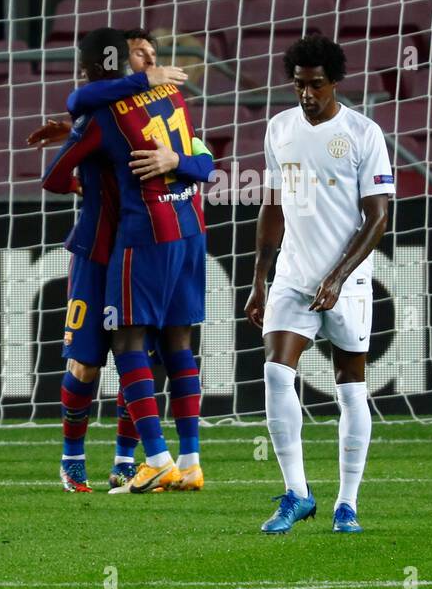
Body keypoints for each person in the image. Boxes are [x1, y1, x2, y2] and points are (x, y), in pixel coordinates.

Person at [31, 29, 212, 492]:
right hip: (99, 250)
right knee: (86, 362)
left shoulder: (152, 101)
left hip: (140, 240)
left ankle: (128, 460)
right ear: (122, 65)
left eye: (153, 53)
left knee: (140, 351)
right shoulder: (107, 107)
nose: (150, 57)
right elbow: (79, 112)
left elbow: (206, 159)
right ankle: (73, 460)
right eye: (140, 53)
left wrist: (176, 161)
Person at [244, 33, 395, 533]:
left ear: (334, 83)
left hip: (346, 280)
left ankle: (346, 503)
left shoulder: (362, 133)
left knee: (350, 388)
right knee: (275, 373)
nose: (306, 94)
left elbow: (377, 218)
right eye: (298, 85)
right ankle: (297, 493)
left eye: (315, 85)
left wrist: (337, 276)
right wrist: (260, 279)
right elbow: (272, 206)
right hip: (293, 272)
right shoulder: (279, 128)